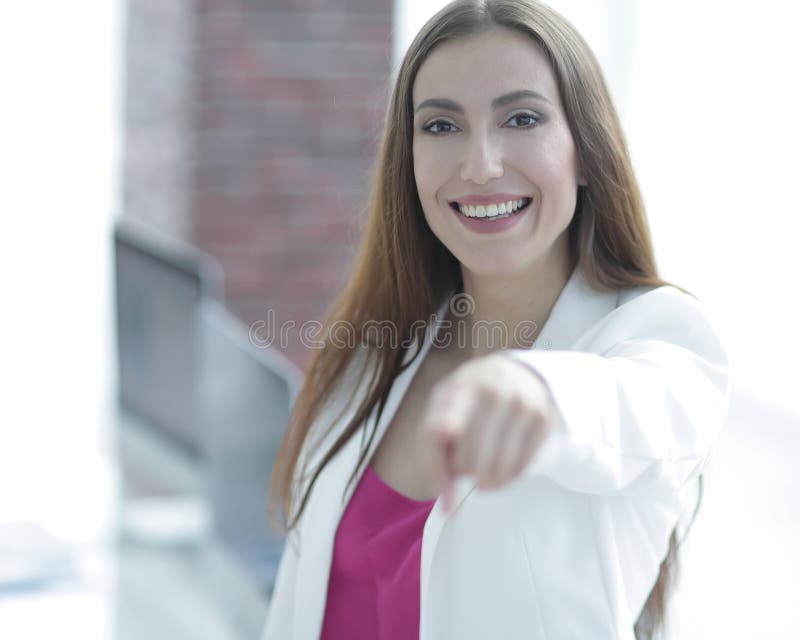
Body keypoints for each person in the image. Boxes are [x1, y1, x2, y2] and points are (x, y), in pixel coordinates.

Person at [262, 1, 731, 638]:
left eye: (522, 118)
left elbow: (643, 409)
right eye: (441, 127)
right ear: (411, 162)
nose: (480, 164)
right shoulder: (376, 348)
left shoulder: (656, 337)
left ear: (585, 152)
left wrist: (533, 389)